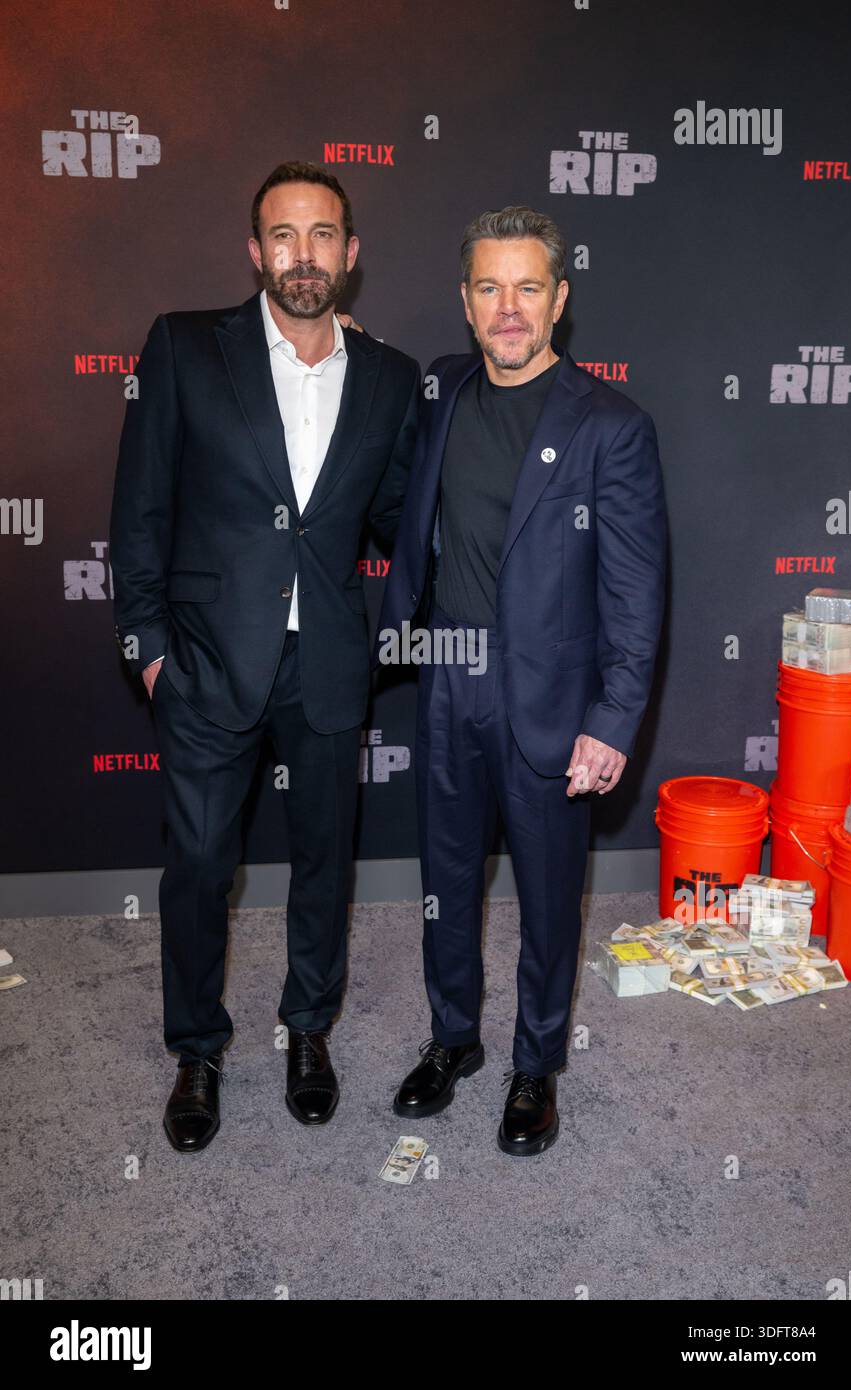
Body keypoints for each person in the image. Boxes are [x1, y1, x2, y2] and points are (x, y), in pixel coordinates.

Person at [109, 161, 420, 1152]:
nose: (302, 254)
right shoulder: (185, 346)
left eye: (321, 234)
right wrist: (149, 647)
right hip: (207, 655)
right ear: (255, 252)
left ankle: (307, 1031)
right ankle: (197, 1047)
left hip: (326, 659)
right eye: (281, 235)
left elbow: (394, 521)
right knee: (201, 863)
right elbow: (140, 508)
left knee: (324, 859)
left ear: (350, 254)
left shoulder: (382, 375)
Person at [377, 206, 668, 1156]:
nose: (510, 308)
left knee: (548, 897)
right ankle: (453, 1040)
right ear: (465, 304)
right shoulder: (442, 390)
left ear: (561, 300)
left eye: (529, 288)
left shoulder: (612, 426)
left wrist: (613, 719)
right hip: (447, 676)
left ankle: (535, 1064)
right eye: (490, 288)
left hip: (548, 696)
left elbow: (635, 590)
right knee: (446, 880)